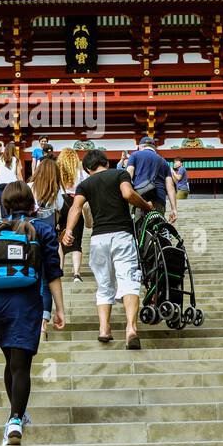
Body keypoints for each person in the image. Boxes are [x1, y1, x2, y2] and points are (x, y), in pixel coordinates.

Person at [0, 179, 65, 445]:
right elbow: (53, 274)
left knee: (11, 359)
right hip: (25, 301)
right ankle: (15, 420)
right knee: (20, 363)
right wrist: (60, 309)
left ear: (5, 203)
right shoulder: (42, 230)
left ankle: (17, 415)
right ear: (32, 203)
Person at [63, 148, 152, 349]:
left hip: (98, 239)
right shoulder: (119, 173)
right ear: (107, 163)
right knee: (128, 280)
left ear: (87, 169)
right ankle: (130, 329)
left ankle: (104, 329)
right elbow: (128, 193)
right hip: (122, 235)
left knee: (104, 285)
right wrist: (146, 205)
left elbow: (76, 208)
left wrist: (68, 230)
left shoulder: (84, 184)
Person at [30, 155, 65, 338]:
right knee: (47, 279)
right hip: (48, 237)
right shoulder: (56, 191)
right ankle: (43, 323)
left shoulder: (29, 188)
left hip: (29, 237)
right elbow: (59, 207)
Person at [126, 136, 177, 220]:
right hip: (159, 199)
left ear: (140, 146)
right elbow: (170, 187)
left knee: (137, 227)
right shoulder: (164, 162)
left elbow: (128, 175)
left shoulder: (135, 155)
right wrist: (174, 209)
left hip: (139, 198)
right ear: (154, 148)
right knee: (156, 227)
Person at [57, 146, 88, 283]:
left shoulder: (58, 170)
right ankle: (76, 274)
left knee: (59, 240)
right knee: (77, 240)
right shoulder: (80, 171)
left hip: (60, 203)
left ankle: (60, 270)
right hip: (76, 203)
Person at [0, 142, 23, 217]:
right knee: (13, 206)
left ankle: (4, 222)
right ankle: (12, 222)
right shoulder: (16, 160)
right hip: (12, 185)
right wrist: (23, 185)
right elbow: (19, 174)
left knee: (3, 206)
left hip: (0, 185)